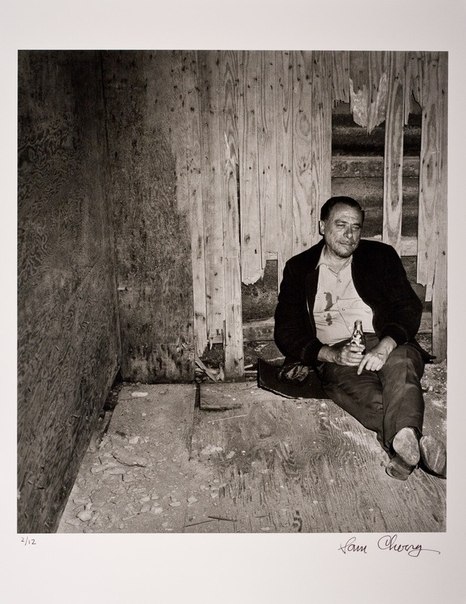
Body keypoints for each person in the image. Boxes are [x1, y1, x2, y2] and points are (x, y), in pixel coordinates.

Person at [274, 196, 446, 480]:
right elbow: (286, 330)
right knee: (359, 392)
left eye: (356, 227)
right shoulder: (299, 268)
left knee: (402, 366)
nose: (349, 235)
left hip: (384, 339)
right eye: (341, 225)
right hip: (338, 352)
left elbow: (407, 306)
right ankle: (409, 439)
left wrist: (386, 345)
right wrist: (331, 354)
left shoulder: (380, 256)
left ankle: (404, 447)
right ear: (322, 226)